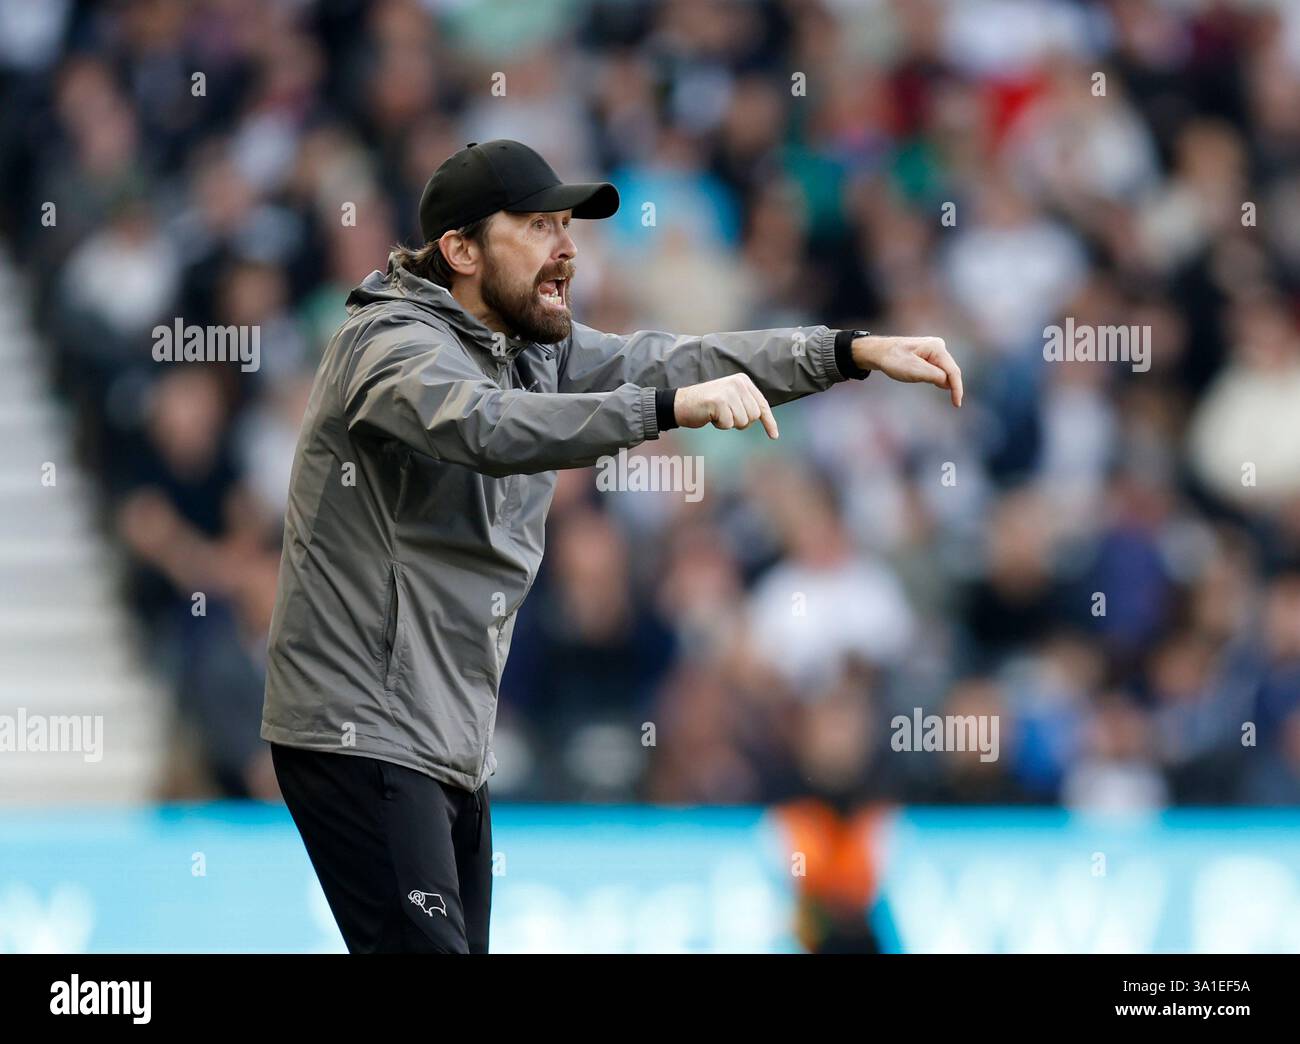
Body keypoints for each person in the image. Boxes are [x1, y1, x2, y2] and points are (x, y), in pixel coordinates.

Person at [262, 139, 963, 953]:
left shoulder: (532, 349)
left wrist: (845, 352)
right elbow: (485, 425)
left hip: (448, 740)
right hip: (360, 728)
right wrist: (661, 411)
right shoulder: (386, 345)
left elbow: (677, 358)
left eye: (568, 227)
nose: (566, 249)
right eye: (536, 227)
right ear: (459, 250)